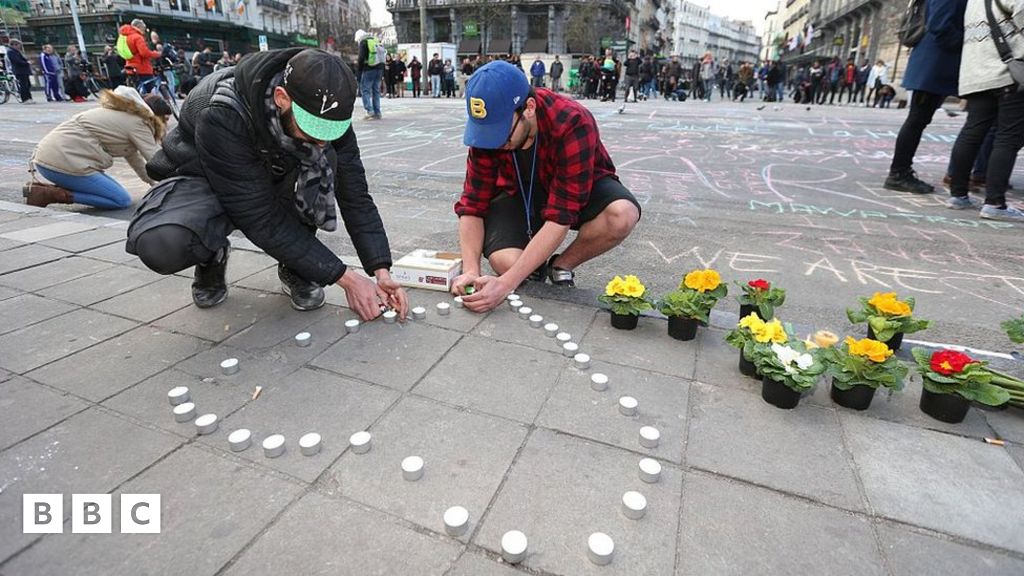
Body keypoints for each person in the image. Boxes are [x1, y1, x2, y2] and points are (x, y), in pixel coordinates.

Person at [130, 48, 410, 319]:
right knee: (162, 244)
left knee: (324, 163)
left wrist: (380, 269)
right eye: (312, 131)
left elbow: (355, 195)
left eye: (329, 132)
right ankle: (210, 252)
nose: (322, 141)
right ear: (281, 98)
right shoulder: (222, 112)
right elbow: (258, 215)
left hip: (270, 172)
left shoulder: (327, 107)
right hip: (205, 176)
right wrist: (345, 278)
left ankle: (296, 266)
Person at [451, 61, 641, 312]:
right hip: (517, 191)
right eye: (488, 134)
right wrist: (471, 271)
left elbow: (561, 216)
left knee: (622, 215)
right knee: (507, 263)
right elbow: (472, 206)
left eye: (502, 134)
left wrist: (505, 285)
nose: (495, 144)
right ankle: (531, 265)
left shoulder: (572, 121)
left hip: (573, 186)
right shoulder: (488, 135)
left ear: (529, 108)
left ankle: (561, 265)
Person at [23, 87, 171, 209]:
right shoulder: (138, 122)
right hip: (63, 164)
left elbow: (134, 158)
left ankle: (46, 190)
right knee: (121, 200)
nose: (166, 124)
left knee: (113, 193)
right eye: (165, 119)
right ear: (155, 115)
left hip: (49, 161)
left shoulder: (123, 116)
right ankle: (50, 194)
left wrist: (155, 183)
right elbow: (154, 157)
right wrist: (173, 185)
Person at [945, 0, 1024, 220]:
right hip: (1008, 72)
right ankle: (995, 203)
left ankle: (958, 195)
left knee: (972, 132)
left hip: (977, 74)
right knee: (1008, 137)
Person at [884, 0, 967, 194]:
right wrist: (969, 44)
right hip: (933, 66)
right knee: (917, 119)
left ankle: (900, 172)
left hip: (936, 65)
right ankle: (898, 173)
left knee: (919, 119)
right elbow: (940, 25)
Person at [119, 19, 162, 93]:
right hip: (142, 69)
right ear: (138, 26)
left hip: (130, 68)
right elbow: (144, 53)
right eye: (143, 28)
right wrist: (156, 54)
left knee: (135, 92)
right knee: (149, 94)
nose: (144, 31)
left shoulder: (125, 37)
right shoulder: (137, 37)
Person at [356, 30, 383, 119]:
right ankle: (377, 112)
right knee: (376, 91)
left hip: (368, 69)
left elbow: (361, 58)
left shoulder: (363, 42)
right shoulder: (375, 40)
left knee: (365, 90)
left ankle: (369, 111)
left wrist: (359, 70)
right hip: (379, 68)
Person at [6, 39, 34, 103]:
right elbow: (16, 61)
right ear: (14, 45)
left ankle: (29, 98)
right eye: (19, 45)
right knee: (23, 85)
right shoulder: (11, 52)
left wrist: (26, 61)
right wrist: (27, 63)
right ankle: (25, 99)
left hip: (24, 70)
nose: (20, 47)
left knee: (27, 84)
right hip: (20, 71)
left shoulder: (17, 51)